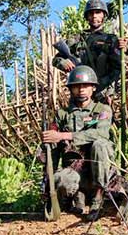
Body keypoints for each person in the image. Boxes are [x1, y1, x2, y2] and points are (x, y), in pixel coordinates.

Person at [42, 65, 118, 221]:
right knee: (60, 179)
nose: (81, 90)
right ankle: (76, 196)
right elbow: (54, 148)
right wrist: (48, 180)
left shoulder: (102, 110)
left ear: (93, 89)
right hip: (76, 169)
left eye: (85, 86)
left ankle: (98, 197)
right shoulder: (62, 114)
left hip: (100, 168)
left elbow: (101, 133)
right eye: (77, 86)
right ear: (71, 89)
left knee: (99, 144)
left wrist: (65, 135)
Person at [52, 0, 121, 102]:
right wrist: (63, 62)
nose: (94, 16)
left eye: (98, 12)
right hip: (80, 91)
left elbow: (117, 68)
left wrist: (109, 90)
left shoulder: (111, 39)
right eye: (91, 13)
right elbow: (56, 59)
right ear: (87, 16)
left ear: (104, 15)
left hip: (102, 92)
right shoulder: (77, 39)